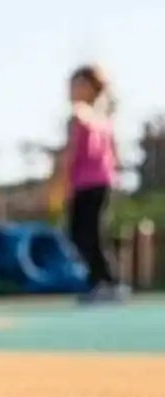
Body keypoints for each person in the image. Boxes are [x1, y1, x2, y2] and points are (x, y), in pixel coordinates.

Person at [49, 65, 127, 304]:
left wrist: (60, 186)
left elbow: (70, 155)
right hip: (103, 183)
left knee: (82, 234)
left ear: (89, 88)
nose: (71, 90)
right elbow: (114, 155)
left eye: (76, 84)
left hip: (85, 184)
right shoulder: (104, 119)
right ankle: (105, 282)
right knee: (92, 233)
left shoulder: (78, 115)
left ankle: (105, 282)